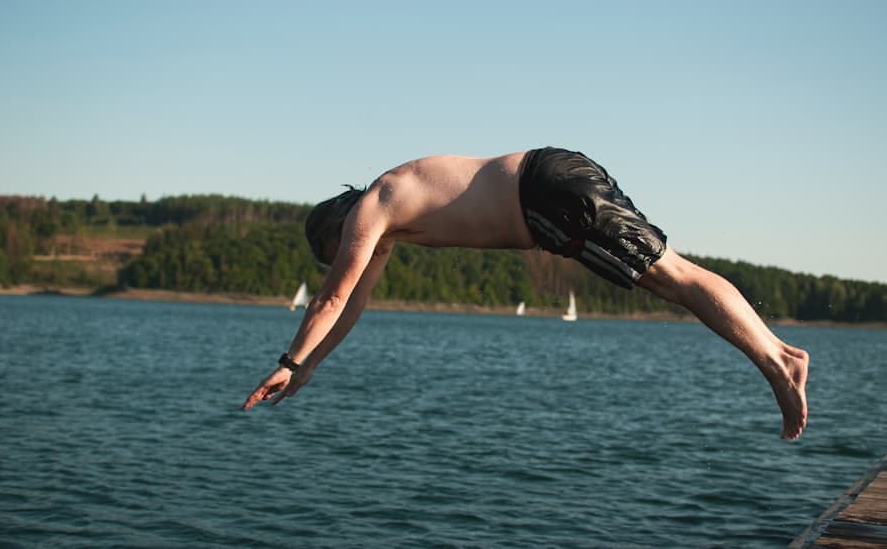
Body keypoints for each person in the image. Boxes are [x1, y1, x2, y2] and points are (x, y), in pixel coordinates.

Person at [243, 147, 809, 439]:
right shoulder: (390, 221)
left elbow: (330, 300)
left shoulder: (375, 205)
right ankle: (779, 354)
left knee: (676, 279)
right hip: (550, 185)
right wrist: (310, 365)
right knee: (675, 277)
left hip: (546, 196)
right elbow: (351, 308)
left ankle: (775, 362)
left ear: (336, 225)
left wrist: (290, 361)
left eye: (335, 250)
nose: (345, 258)